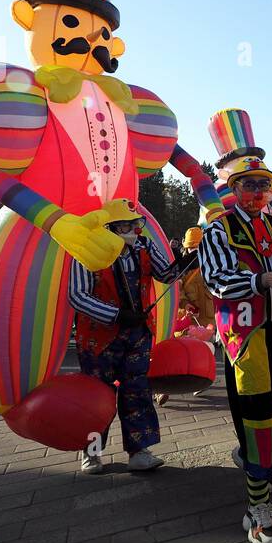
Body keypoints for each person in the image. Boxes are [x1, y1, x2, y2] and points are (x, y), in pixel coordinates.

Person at [198, 156, 272, 543]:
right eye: (247, 185)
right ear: (233, 191)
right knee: (259, 419)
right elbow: (217, 281)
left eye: (261, 185)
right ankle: (257, 507)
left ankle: (260, 466)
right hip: (248, 337)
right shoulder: (218, 231)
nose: (255, 192)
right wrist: (260, 279)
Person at [68, 198, 183, 474]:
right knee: (98, 395)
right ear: (110, 228)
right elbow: (77, 295)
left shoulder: (143, 246)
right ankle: (92, 452)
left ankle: (139, 450)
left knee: (138, 390)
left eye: (135, 223)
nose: (135, 229)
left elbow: (166, 274)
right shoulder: (86, 249)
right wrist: (116, 315)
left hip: (138, 333)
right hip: (100, 337)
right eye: (127, 225)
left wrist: (188, 259)